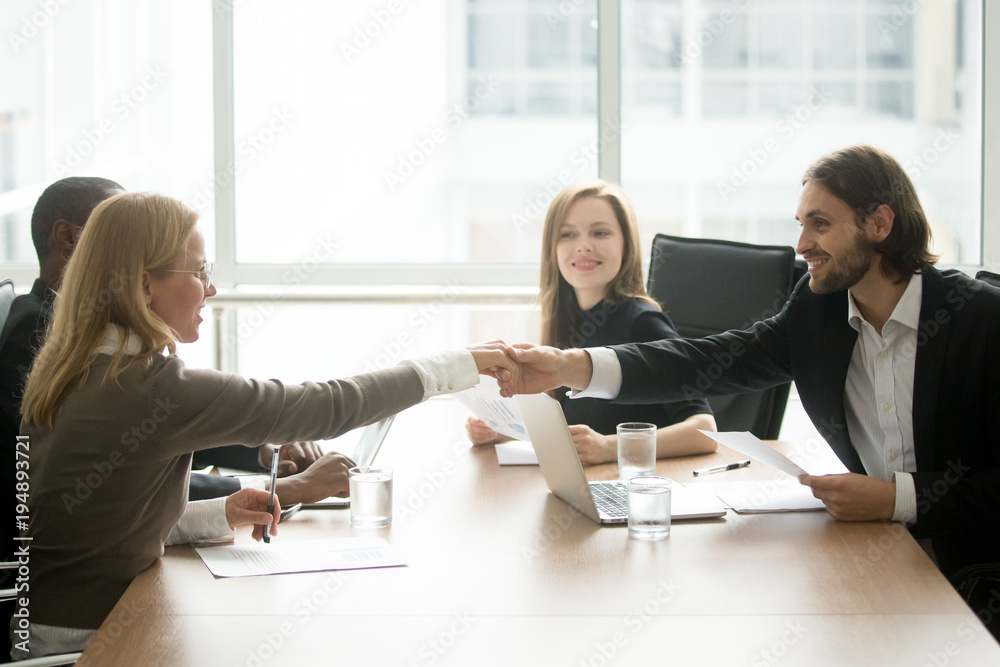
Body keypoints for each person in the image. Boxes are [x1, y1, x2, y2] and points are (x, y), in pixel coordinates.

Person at [14, 191, 516, 658]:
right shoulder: (149, 389)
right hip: (88, 647)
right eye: (200, 270)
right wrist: (460, 364)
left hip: (54, 627)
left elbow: (105, 529)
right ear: (146, 286)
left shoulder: (75, 367)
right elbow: (327, 406)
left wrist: (221, 512)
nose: (211, 288)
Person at [498, 146, 1000, 595]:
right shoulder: (818, 312)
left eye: (820, 224)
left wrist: (897, 500)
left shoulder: (982, 320)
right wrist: (571, 366)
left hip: (973, 567)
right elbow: (702, 362)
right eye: (800, 224)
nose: (802, 245)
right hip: (878, 554)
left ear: (880, 224)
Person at [0, 179, 333, 568]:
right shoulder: (43, 332)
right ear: (69, 238)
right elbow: (118, 470)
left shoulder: (95, 339)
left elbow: (146, 430)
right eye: (115, 229)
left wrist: (257, 452)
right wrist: (285, 489)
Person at [466, 181, 717, 464]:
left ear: (626, 244)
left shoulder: (644, 322)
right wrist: (503, 431)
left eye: (600, 232)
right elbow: (573, 431)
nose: (583, 246)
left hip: (640, 482)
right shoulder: (564, 321)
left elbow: (705, 431)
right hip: (588, 481)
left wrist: (609, 447)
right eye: (568, 234)